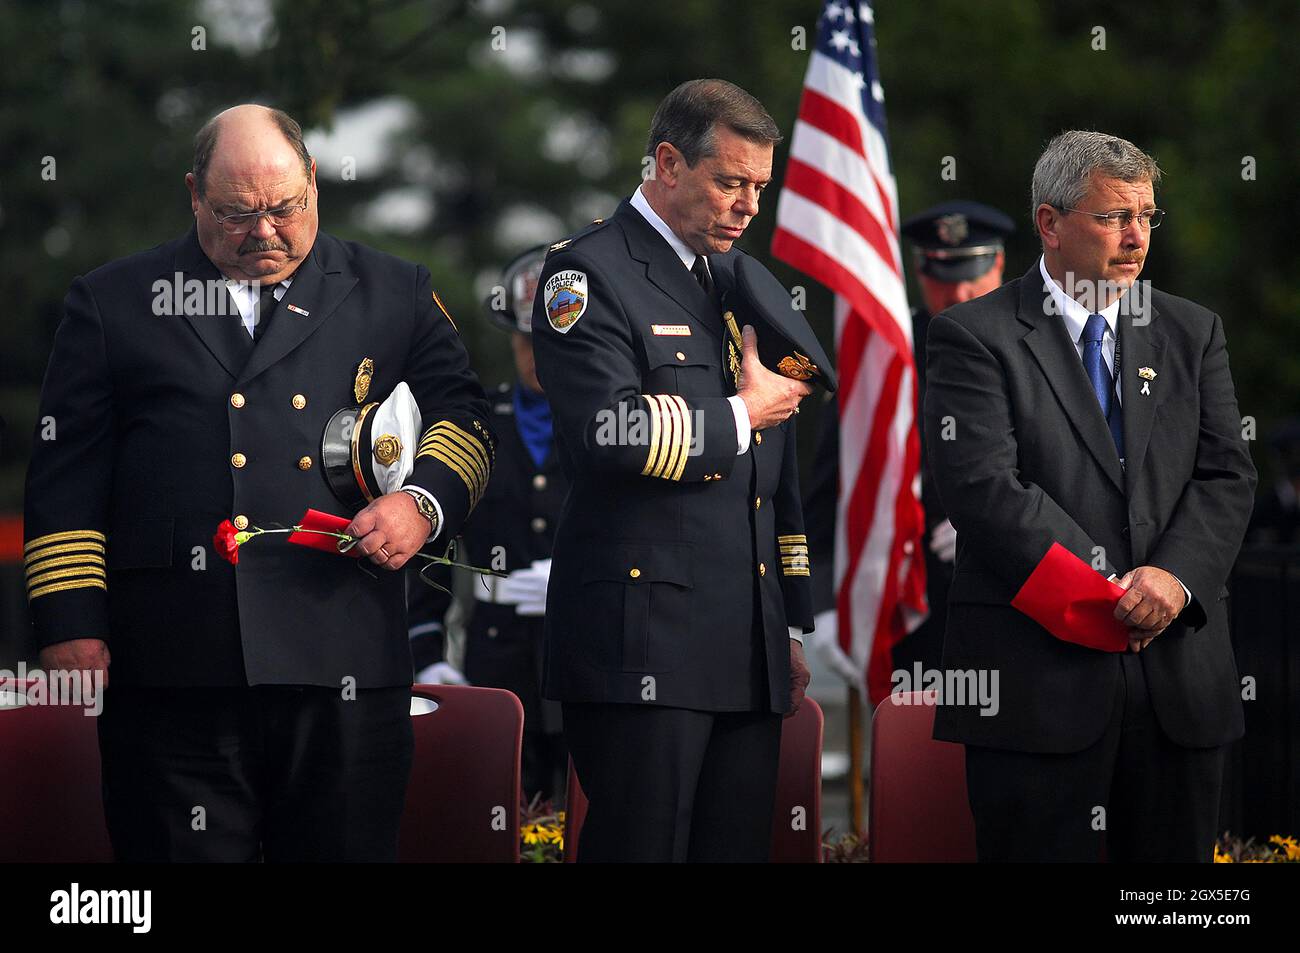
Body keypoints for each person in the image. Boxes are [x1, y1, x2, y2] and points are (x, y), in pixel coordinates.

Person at [22, 104, 494, 862]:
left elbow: (466, 417)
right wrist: (72, 623)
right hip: (175, 668)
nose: (266, 232)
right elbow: (66, 474)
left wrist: (420, 502)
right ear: (194, 196)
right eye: (239, 214)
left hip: (340, 655)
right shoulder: (114, 300)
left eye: (286, 208)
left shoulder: (391, 289)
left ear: (313, 181)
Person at [923, 130, 1256, 862]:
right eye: (1113, 217)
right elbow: (983, 487)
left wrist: (1170, 579)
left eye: (1146, 216)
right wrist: (1108, 593)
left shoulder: (1192, 331)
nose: (1136, 236)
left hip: (1179, 684)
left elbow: (1227, 474)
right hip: (1037, 690)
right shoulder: (972, 337)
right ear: (1050, 223)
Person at [530, 79, 835, 862]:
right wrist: (742, 414)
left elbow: (777, 477)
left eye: (759, 188)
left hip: (748, 643)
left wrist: (788, 623)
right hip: (645, 644)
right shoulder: (585, 276)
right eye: (729, 182)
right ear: (668, 163)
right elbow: (609, 430)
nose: (746, 206)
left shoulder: (734, 282)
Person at [803, 201, 1014, 677]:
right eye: (942, 275)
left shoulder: (1040, 348)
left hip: (1015, 593)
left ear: (999, 263)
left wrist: (992, 524)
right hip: (905, 604)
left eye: (972, 272)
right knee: (912, 744)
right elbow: (831, 487)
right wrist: (823, 604)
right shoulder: (883, 362)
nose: (958, 290)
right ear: (920, 272)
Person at [407, 244, 570, 802]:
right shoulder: (477, 428)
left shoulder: (614, 426)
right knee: (497, 808)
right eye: (525, 339)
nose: (534, 353)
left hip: (591, 650)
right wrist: (425, 648)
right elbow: (429, 537)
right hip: (495, 654)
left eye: (548, 339)